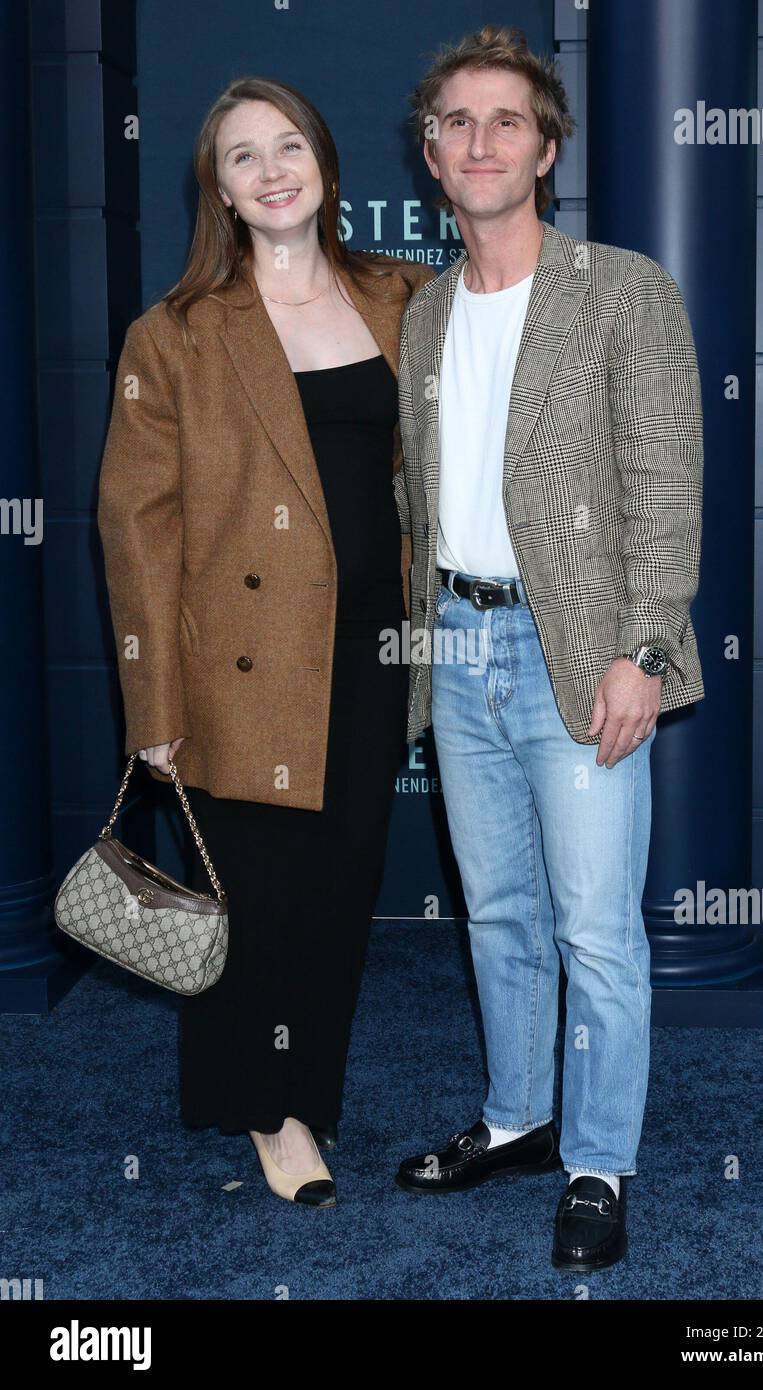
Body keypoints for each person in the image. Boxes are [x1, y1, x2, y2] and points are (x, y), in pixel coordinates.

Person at [393, 26, 704, 1270]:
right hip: (456, 644)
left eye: (504, 121)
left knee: (593, 929)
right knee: (499, 914)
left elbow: (666, 483)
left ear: (546, 147)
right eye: (455, 122)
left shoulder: (621, 288)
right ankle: (518, 1117)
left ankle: (595, 1162)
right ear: (429, 152)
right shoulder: (419, 314)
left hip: (573, 648)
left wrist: (640, 645)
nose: (480, 141)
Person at [97, 76, 434, 1207]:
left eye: (289, 144)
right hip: (232, 661)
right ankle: (271, 1113)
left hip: (371, 657)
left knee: (337, 889)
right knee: (254, 897)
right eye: (243, 157)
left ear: (328, 166)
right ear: (222, 193)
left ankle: (307, 1089)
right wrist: (154, 714)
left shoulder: (406, 298)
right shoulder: (178, 334)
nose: (272, 168)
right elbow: (135, 531)